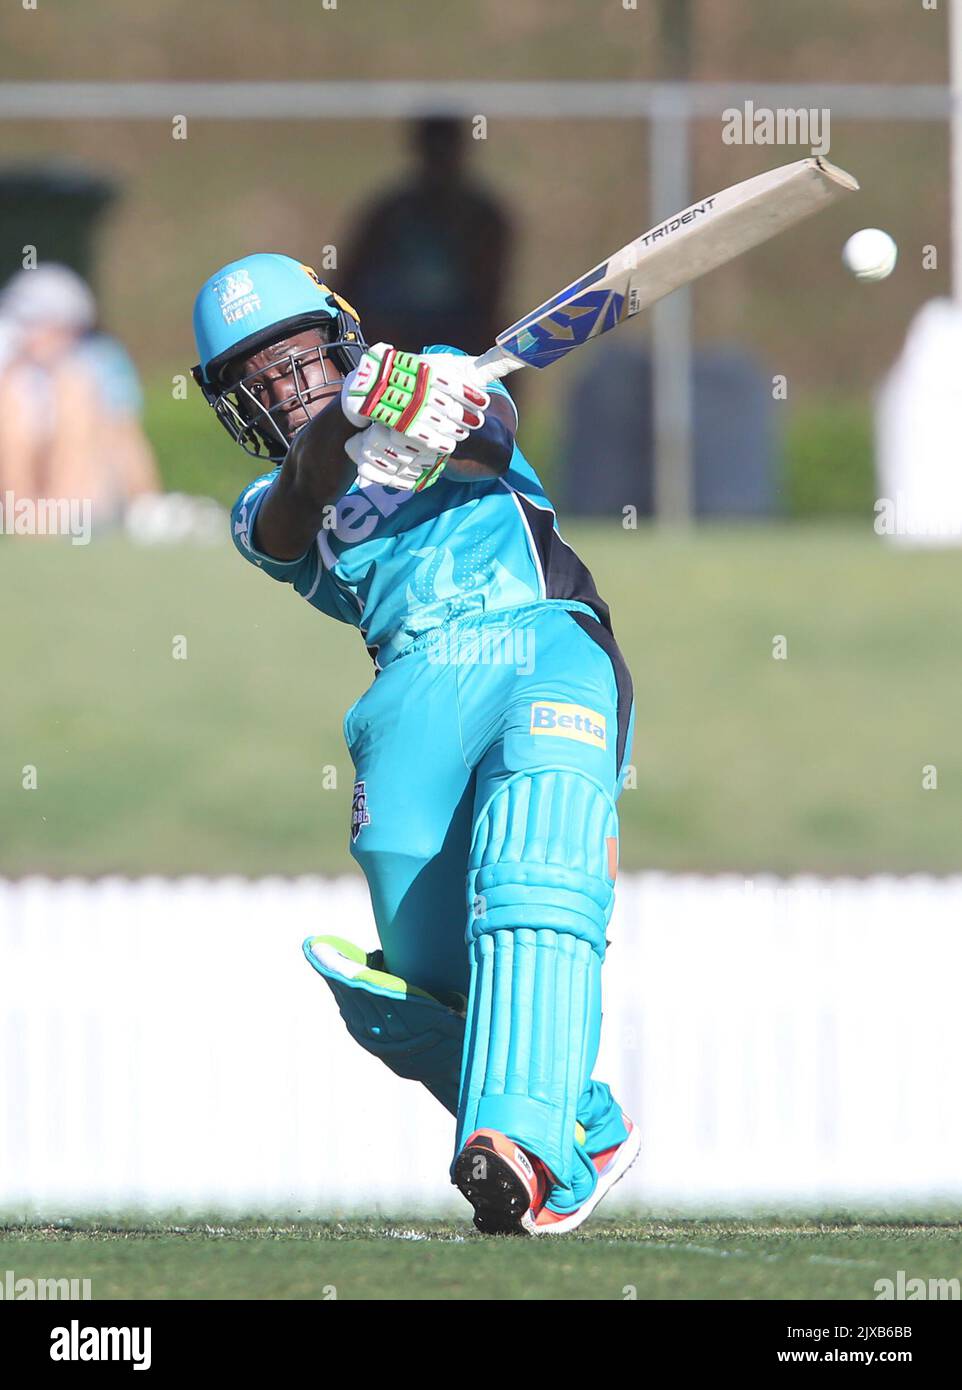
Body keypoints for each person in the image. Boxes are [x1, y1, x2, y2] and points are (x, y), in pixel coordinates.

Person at [192, 252, 638, 1235]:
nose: (286, 387)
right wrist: (359, 418)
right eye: (258, 382)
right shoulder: (262, 512)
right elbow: (298, 498)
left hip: (538, 637)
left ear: (340, 338)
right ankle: (580, 1124)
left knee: (533, 879)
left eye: (301, 359)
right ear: (234, 408)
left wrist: (435, 403)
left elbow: (487, 437)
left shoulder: (434, 368)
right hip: (410, 698)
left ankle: (517, 1145)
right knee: (424, 984)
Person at [339, 117, 511, 357]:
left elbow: (490, 291)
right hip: (393, 329)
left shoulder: (484, 219)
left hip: (460, 331)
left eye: (446, 151)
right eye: (434, 151)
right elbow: (350, 278)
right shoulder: (389, 214)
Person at [0, 265, 158, 524]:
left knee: (75, 392)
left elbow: (126, 439)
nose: (31, 335)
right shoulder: (12, 368)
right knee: (13, 405)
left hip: (90, 496)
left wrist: (146, 502)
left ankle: (58, 516)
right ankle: (28, 518)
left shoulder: (98, 361)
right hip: (28, 500)